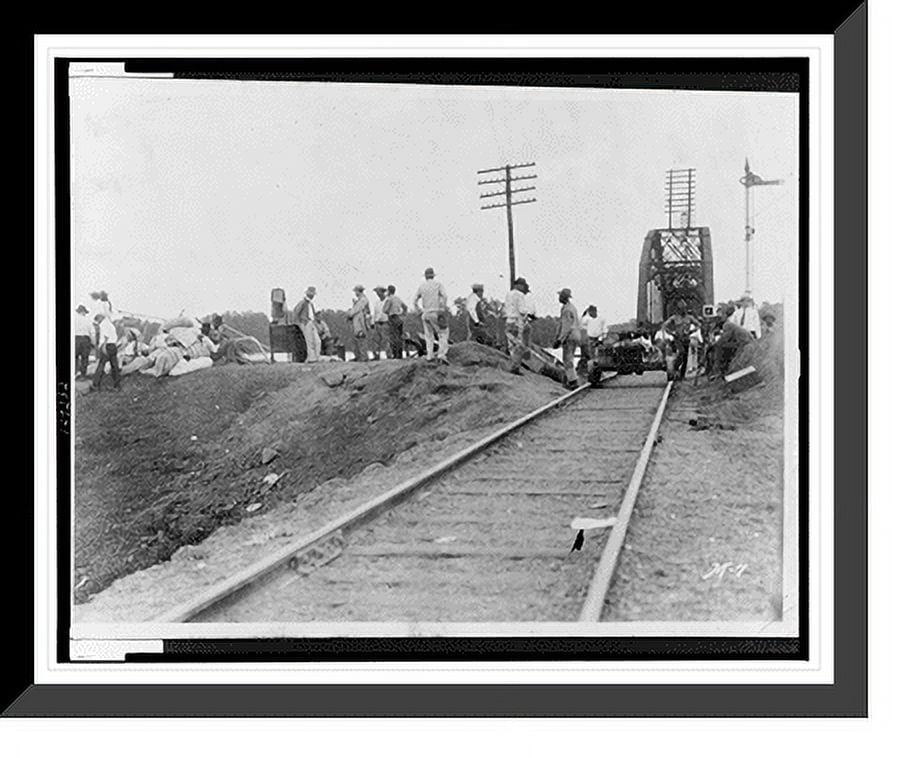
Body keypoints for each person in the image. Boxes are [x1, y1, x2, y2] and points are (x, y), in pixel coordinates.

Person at [413, 267, 449, 364]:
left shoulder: (422, 286)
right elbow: (445, 296)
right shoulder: (438, 285)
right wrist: (442, 308)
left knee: (428, 335)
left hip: (425, 312)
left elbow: (415, 300)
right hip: (435, 311)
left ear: (425, 277)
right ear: (433, 276)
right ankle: (441, 354)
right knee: (443, 333)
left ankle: (429, 355)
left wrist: (419, 310)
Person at [661, 300, 701, 380]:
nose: (683, 310)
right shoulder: (675, 317)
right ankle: (675, 367)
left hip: (686, 339)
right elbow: (664, 325)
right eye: (681, 309)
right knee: (681, 352)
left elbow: (699, 324)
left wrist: (691, 331)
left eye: (684, 309)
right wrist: (670, 333)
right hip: (678, 339)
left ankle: (682, 375)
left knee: (685, 357)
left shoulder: (689, 317)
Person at [713, 304, 755, 376]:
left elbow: (724, 338)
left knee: (720, 349)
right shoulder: (730, 324)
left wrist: (715, 344)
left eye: (721, 316)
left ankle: (721, 371)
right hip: (746, 343)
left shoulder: (727, 324)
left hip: (746, 345)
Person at [504, 277, 533, 375]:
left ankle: (513, 365)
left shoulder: (509, 294)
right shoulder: (520, 295)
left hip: (509, 321)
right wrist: (529, 316)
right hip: (517, 322)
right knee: (519, 346)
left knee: (512, 346)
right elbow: (522, 310)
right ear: (520, 285)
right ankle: (515, 367)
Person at [553, 288, 581, 390]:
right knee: (569, 358)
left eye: (560, 296)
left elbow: (566, 326)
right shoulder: (571, 308)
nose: (559, 298)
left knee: (567, 359)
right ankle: (569, 379)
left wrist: (560, 339)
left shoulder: (567, 310)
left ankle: (573, 381)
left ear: (563, 297)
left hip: (570, 336)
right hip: (575, 335)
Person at [91, 313, 120, 391]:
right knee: (114, 366)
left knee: (101, 364)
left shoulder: (103, 325)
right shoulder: (111, 325)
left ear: (100, 318)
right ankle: (116, 385)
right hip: (113, 345)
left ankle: (95, 384)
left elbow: (106, 336)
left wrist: (103, 347)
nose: (98, 322)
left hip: (107, 345)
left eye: (97, 320)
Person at [292, 286, 321, 363]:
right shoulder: (302, 302)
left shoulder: (310, 304)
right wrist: (300, 323)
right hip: (306, 323)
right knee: (309, 341)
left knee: (317, 341)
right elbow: (296, 312)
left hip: (311, 323)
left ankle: (316, 357)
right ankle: (311, 358)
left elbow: (312, 315)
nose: (313, 296)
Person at [382, 284, 408, 359]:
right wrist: (403, 314)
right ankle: (400, 354)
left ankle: (395, 354)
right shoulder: (398, 298)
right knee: (399, 337)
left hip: (392, 318)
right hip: (399, 318)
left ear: (389, 291)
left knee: (393, 337)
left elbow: (385, 310)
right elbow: (405, 307)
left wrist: (388, 312)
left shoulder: (389, 299)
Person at [347, 284, 372, 361]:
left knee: (361, 338)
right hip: (357, 322)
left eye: (356, 291)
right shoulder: (359, 300)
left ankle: (363, 356)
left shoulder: (363, 300)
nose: (355, 293)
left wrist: (349, 313)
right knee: (356, 339)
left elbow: (356, 310)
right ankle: (358, 356)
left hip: (361, 322)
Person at [371, 286, 390, 360]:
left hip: (385, 322)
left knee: (386, 340)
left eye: (378, 292)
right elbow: (375, 313)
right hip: (377, 323)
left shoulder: (387, 301)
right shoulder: (377, 302)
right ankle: (376, 355)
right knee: (376, 340)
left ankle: (388, 354)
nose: (377, 294)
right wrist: (372, 322)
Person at [74, 305, 92, 378]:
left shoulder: (74, 320)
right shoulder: (87, 320)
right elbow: (92, 332)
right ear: (83, 312)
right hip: (85, 339)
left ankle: (74, 372)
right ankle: (83, 375)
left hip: (76, 338)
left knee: (75, 357)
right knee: (84, 357)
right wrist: (93, 342)